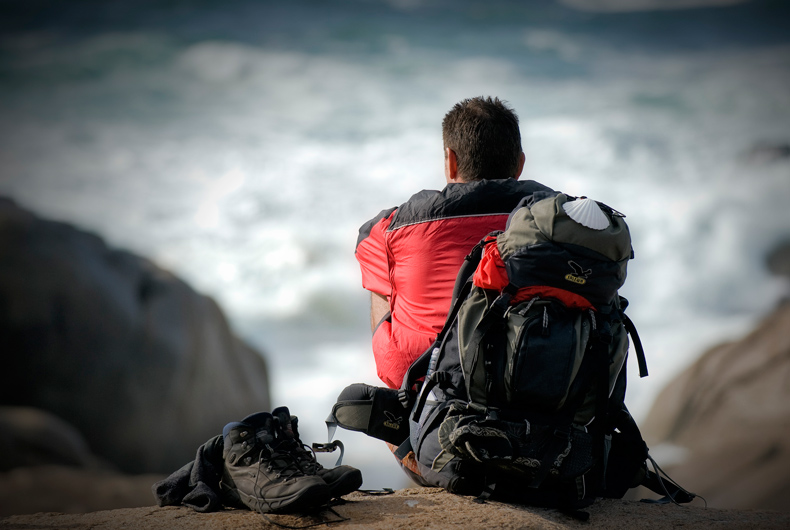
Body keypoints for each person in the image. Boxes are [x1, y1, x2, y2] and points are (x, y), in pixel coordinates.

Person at [355, 96, 554, 390]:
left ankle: (400, 421)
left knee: (382, 280)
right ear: (520, 164)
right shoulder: (560, 218)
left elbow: (366, 247)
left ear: (451, 161)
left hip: (435, 392)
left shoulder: (389, 230)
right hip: (540, 384)